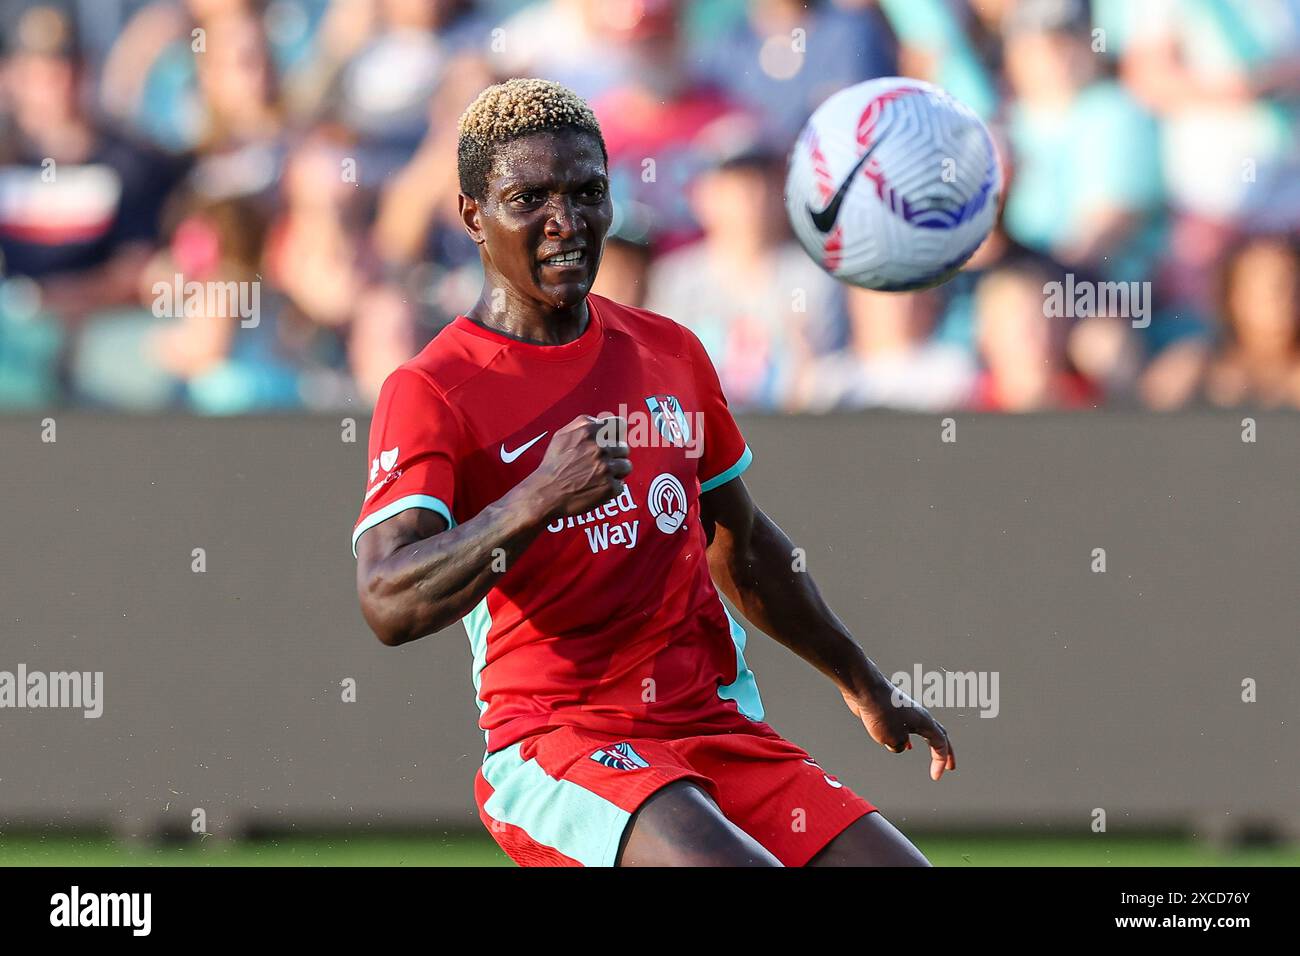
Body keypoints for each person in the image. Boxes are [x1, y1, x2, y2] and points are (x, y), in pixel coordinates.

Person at [351, 79, 954, 867]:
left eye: (586, 193)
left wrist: (864, 682)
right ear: (472, 215)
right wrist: (537, 498)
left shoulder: (669, 350)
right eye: (529, 197)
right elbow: (386, 600)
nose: (565, 222)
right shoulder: (434, 389)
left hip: (710, 728)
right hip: (561, 742)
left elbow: (740, 543)